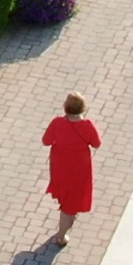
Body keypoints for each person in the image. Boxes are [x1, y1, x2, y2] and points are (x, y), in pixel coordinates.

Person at [43, 93, 101, 248]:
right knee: (70, 204)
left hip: (59, 166)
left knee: (66, 196)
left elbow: (46, 141)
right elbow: (96, 144)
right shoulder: (88, 125)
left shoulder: (57, 123)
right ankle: (61, 236)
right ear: (83, 108)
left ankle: (66, 220)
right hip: (79, 168)